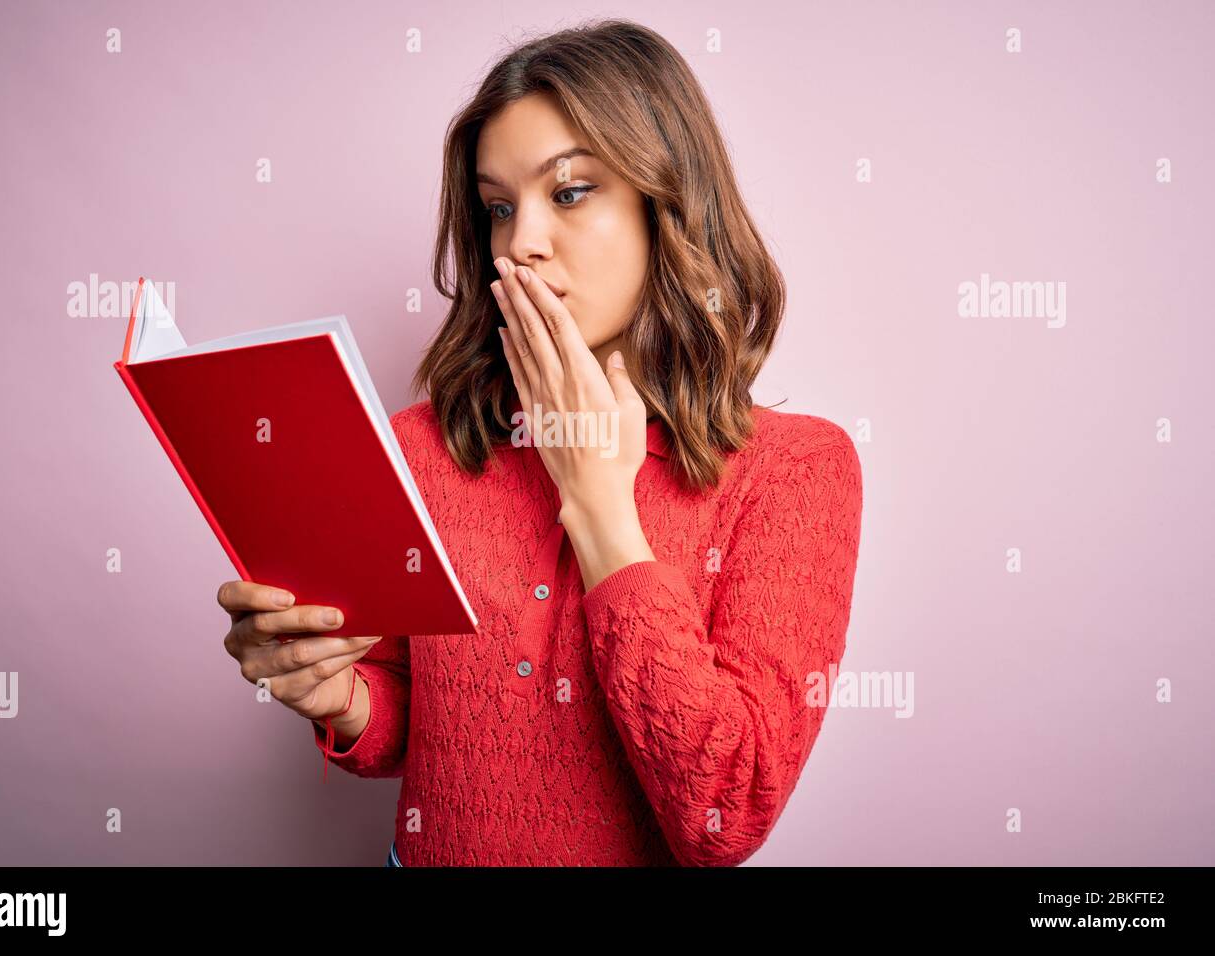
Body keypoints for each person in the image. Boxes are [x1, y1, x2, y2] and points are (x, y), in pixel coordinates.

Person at [219, 18, 863, 867]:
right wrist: (337, 696)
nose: (520, 243)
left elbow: (725, 811)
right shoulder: (423, 448)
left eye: (568, 192)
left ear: (666, 202)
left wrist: (600, 504)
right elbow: (414, 723)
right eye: (497, 208)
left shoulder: (795, 472)